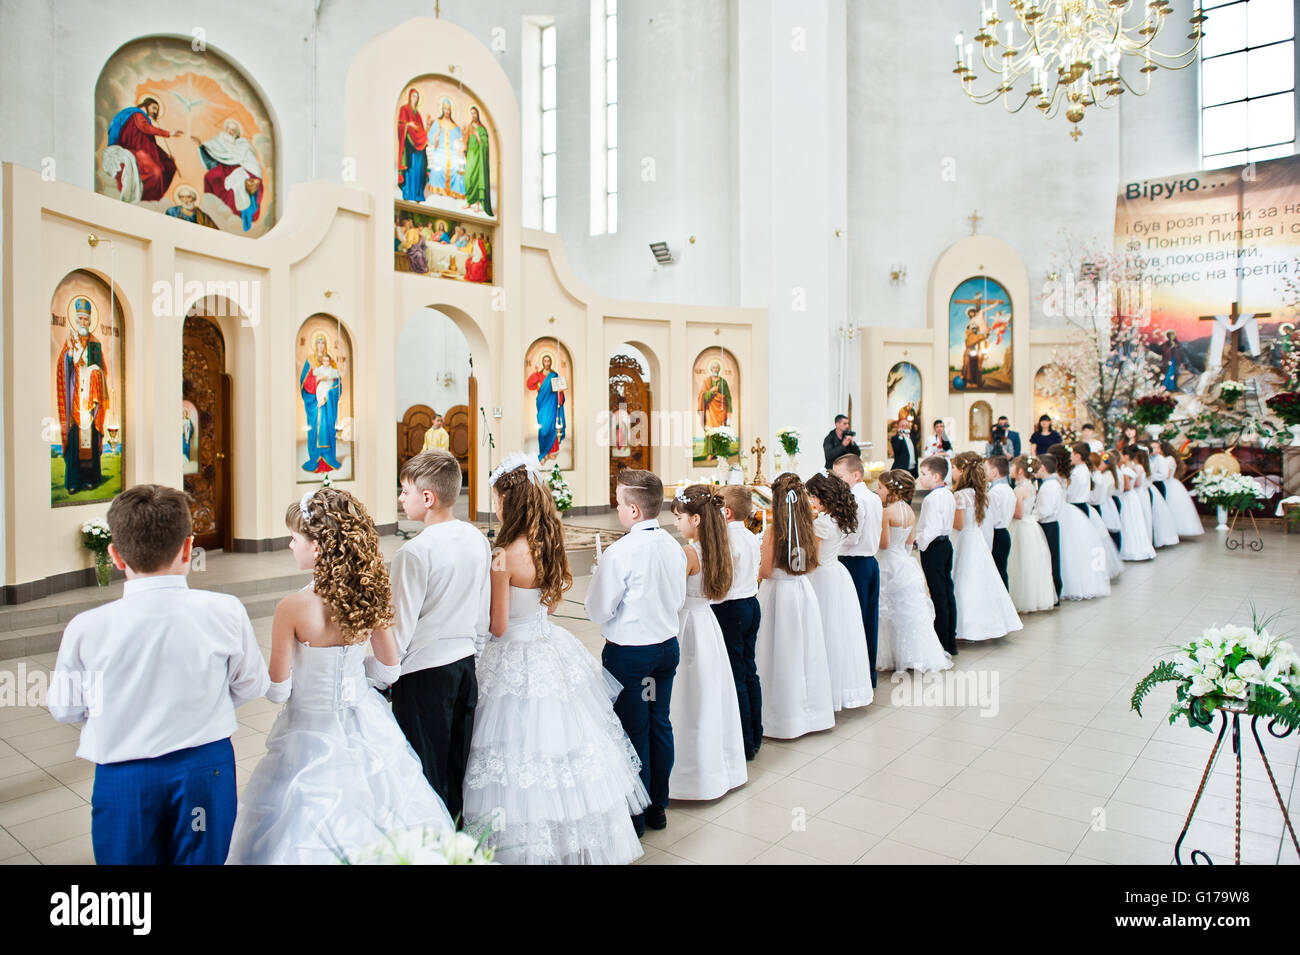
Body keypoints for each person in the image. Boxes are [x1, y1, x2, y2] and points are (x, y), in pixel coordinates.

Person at [228, 489, 453, 863]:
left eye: (295, 538)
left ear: (317, 547)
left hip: (308, 729)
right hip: (364, 719)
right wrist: (354, 678)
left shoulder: (292, 608)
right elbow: (389, 670)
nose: (290, 544)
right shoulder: (370, 596)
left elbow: (279, 691)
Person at [48, 485, 269, 864]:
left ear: (116, 556)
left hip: (124, 779)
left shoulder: (86, 627)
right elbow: (252, 684)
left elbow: (65, 708)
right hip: (205, 771)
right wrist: (203, 705)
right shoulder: (225, 610)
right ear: (188, 548)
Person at [465, 455, 647, 864]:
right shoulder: (548, 542)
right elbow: (550, 603)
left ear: (508, 501)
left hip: (512, 653)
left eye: (496, 500)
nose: (495, 507)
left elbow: (498, 626)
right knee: (565, 746)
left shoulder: (502, 554)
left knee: (510, 752)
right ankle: (570, 841)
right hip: (549, 646)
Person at [389, 450, 491, 825]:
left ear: (428, 497)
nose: (401, 498)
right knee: (456, 766)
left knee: (424, 772)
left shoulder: (413, 552)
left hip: (423, 674)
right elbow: (482, 610)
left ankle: (432, 843)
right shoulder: (476, 539)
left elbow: (399, 628)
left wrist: (384, 675)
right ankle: (457, 837)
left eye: (405, 491)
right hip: (464, 667)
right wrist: (473, 653)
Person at [586, 468, 687, 837]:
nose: (616, 508)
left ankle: (636, 815)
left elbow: (599, 610)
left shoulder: (621, 552)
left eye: (618, 503)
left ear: (633, 510)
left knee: (632, 730)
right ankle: (658, 806)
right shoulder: (674, 546)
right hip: (664, 651)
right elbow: (677, 598)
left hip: (630, 657)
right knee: (659, 723)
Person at [667, 485, 747, 801]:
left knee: (688, 696)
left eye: (679, 517)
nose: (676, 523)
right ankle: (721, 769)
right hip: (708, 624)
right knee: (710, 694)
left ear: (696, 519)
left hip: (688, 625)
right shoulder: (719, 548)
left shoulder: (688, 554)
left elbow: (673, 597)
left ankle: (688, 776)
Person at [756, 473, 834, 738]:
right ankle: (811, 715)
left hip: (778, 594)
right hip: (802, 591)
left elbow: (766, 571)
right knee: (804, 651)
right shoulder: (808, 527)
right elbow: (811, 566)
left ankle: (781, 718)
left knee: (777, 652)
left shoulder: (773, 531)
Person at [805, 471, 874, 711]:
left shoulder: (822, 522)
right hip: (837, 574)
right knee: (838, 631)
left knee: (823, 630)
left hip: (821, 576)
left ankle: (825, 689)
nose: (811, 501)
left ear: (822, 496)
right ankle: (842, 687)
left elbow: (813, 560)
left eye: (813, 496)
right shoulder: (839, 518)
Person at [874, 470, 953, 673]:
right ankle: (914, 654)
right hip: (904, 563)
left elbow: (884, 544)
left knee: (888, 611)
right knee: (907, 612)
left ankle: (892, 655)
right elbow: (909, 543)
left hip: (888, 563)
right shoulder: (909, 511)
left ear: (891, 490)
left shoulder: (886, 513)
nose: (877, 491)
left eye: (880, 487)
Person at [712, 486, 764, 760]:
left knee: (735, 675)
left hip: (730, 608)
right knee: (749, 670)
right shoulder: (751, 536)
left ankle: (744, 742)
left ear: (727, 512)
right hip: (751, 603)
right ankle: (756, 732)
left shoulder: (726, 540)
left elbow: (723, 580)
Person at [950, 452, 1023, 642]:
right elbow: (985, 523)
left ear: (962, 471)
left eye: (954, 468)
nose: (952, 471)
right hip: (978, 540)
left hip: (965, 540)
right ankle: (990, 622)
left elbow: (959, 525)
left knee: (965, 578)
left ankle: (966, 625)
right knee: (982, 580)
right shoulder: (981, 494)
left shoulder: (960, 496)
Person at [831, 454, 883, 687]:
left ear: (856, 475)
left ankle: (857, 677)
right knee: (869, 620)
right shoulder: (873, 497)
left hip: (854, 564)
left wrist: (831, 541)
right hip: (870, 562)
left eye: (840, 476)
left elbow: (852, 537)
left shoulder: (855, 499)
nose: (838, 481)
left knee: (854, 621)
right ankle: (868, 674)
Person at [1053, 448, 1112, 600]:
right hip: (1076, 507)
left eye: (1073, 454)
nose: (1071, 456)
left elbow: (1070, 494)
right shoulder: (1080, 470)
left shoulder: (1077, 473)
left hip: (1073, 507)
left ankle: (1076, 582)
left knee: (1074, 546)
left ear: (1078, 455)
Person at [915, 456, 958, 656]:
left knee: (938, 593)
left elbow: (931, 528)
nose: (920, 478)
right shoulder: (948, 494)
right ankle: (950, 638)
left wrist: (918, 542)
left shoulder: (932, 498)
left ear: (936, 476)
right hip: (946, 544)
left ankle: (942, 641)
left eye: (924, 474)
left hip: (934, 547)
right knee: (947, 592)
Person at [1006, 456, 1057, 613]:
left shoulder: (1019, 490)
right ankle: (1035, 597)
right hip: (1031, 526)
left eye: (1013, 466)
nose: (1010, 469)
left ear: (1020, 471)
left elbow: (1018, 514)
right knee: (1030, 562)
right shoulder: (1031, 486)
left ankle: (1020, 597)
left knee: (1019, 562)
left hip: (1021, 526)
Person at [1157, 442, 1205, 537]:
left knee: (1171, 507)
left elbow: (1166, 474)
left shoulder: (1168, 459)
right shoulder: (1166, 459)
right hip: (1170, 483)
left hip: (1168, 484)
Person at [1117, 446, 1156, 561]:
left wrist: (1118, 490)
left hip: (1127, 496)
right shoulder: (1134, 467)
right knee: (1135, 521)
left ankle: (1129, 549)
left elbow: (1127, 487)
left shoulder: (1125, 470)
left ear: (1126, 456)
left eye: (1121, 455)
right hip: (1133, 496)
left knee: (1128, 520)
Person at [1035, 453, 1064, 604]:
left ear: (1043, 468)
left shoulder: (1049, 486)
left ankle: (1054, 591)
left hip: (1048, 525)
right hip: (1049, 523)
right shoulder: (1049, 484)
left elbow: (1045, 510)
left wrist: (1033, 516)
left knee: (1051, 557)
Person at [984, 456, 1015, 588]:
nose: (984, 472)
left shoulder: (995, 492)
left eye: (986, 469)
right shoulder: (1008, 488)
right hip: (1004, 532)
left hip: (996, 534)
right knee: (1002, 569)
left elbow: (992, 518)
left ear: (994, 472)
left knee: (997, 571)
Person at [1091, 451, 1123, 553]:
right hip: (1106, 501)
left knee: (1109, 526)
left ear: (1107, 464)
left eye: (1101, 463)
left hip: (1106, 503)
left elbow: (1102, 491)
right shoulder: (1105, 474)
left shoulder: (1106, 476)